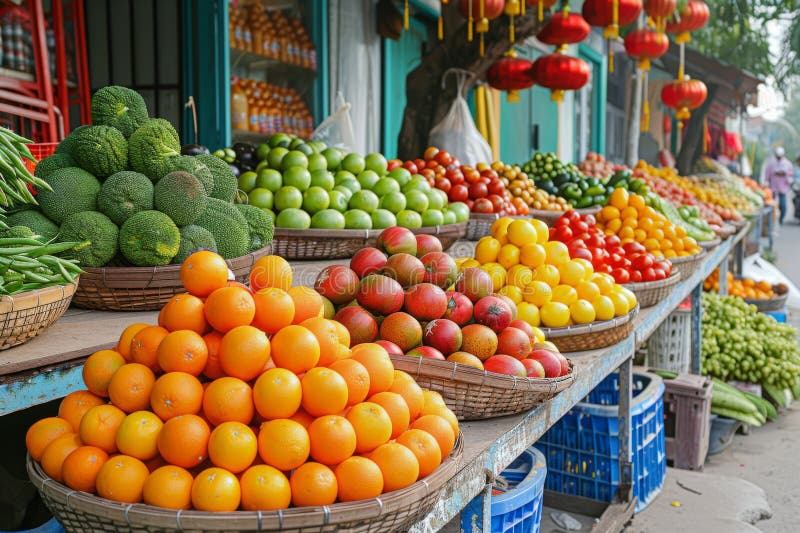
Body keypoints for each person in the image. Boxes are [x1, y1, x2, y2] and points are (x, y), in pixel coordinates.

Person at [765, 147, 794, 224]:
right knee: (771, 206)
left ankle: (781, 219)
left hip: (783, 188)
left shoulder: (787, 164)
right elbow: (767, 173)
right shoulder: (771, 163)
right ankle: (771, 221)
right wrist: (767, 181)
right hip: (773, 187)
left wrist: (787, 178)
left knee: (783, 206)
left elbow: (790, 174)